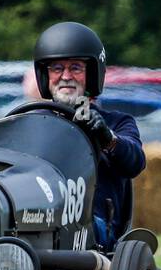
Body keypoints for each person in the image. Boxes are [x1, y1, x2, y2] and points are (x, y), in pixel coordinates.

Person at [31, 22, 146, 249]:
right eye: (56, 69)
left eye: (75, 68)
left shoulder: (118, 122)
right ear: (46, 76)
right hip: (36, 217)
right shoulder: (32, 121)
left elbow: (135, 162)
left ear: (91, 74)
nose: (65, 76)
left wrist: (107, 137)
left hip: (93, 226)